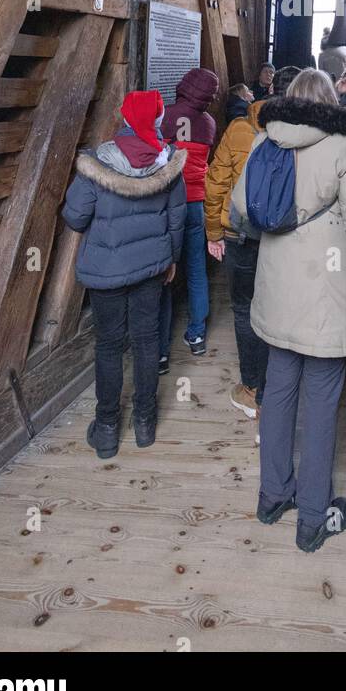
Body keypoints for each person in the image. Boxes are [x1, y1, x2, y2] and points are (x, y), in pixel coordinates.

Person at [232, 69, 346, 552]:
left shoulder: (263, 140)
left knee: (276, 391)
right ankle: (314, 516)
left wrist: (274, 236)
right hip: (326, 291)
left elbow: (239, 210)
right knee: (322, 401)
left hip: (277, 284)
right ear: (329, 102)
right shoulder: (341, 146)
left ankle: (272, 495)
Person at [61, 89, 186, 457]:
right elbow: (176, 219)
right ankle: (145, 424)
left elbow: (75, 216)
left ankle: (106, 429)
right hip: (152, 267)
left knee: (110, 345)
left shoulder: (97, 163)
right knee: (147, 342)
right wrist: (172, 259)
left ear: (126, 118)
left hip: (106, 271)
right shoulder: (170, 163)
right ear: (159, 120)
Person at [204, 91, 268, 420]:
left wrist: (213, 232)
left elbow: (215, 183)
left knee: (244, 310)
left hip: (239, 235)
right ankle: (282, 387)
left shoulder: (239, 129)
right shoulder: (297, 133)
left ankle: (253, 389)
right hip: (281, 239)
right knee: (279, 309)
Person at [159, 67, 218, 364]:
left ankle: (160, 351)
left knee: (165, 273)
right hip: (197, 202)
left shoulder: (166, 116)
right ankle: (196, 335)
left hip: (169, 203)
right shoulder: (208, 122)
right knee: (196, 271)